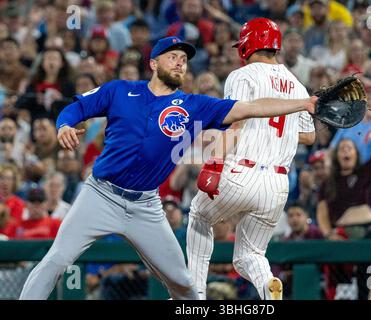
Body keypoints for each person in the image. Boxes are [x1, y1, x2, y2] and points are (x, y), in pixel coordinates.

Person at [19, 35, 317, 300]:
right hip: (100, 196)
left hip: (146, 207)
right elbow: (77, 108)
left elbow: (251, 108)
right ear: (153, 63)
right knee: (56, 259)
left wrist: (302, 103)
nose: (180, 62)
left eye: (184, 59)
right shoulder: (119, 91)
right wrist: (63, 125)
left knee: (184, 285)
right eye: (172, 56)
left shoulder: (194, 105)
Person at [186, 18, 316, 301]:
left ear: (249, 44)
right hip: (277, 184)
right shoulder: (297, 85)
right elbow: (309, 137)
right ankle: (269, 284)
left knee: (198, 215)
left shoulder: (241, 76)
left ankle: (192, 294)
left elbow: (236, 124)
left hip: (241, 172)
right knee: (249, 255)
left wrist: (214, 163)